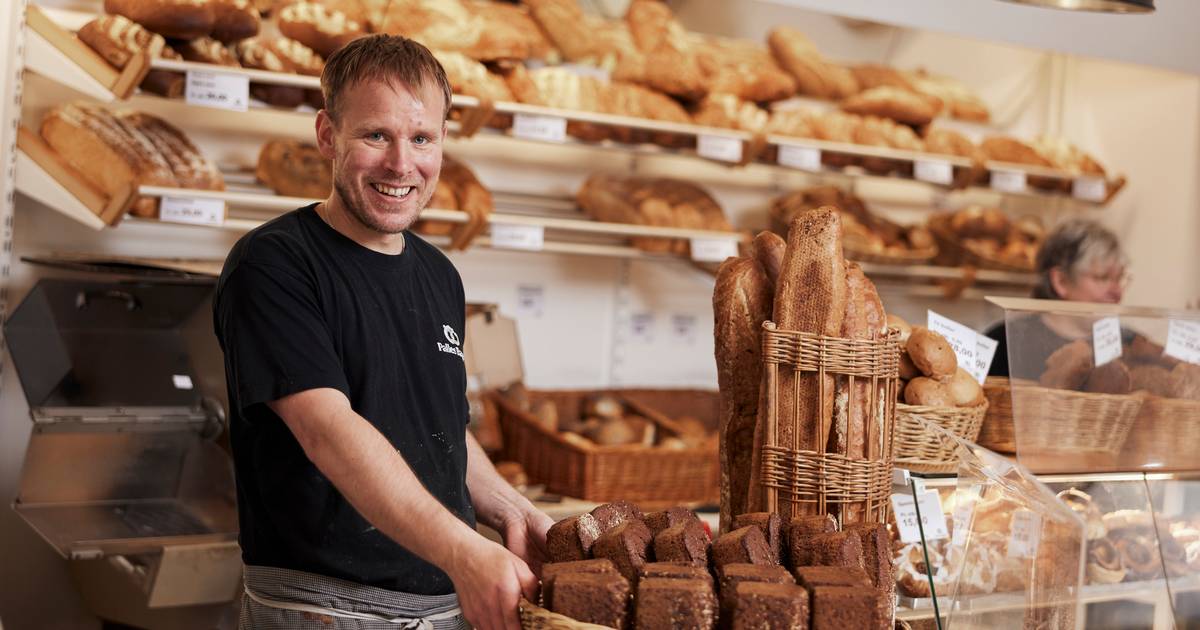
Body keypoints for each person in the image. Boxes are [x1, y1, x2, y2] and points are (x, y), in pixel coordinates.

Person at [213, 34, 553, 629]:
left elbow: (436, 430)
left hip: (443, 607)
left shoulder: (439, 275)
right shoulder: (274, 264)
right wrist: (465, 551)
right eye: (376, 135)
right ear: (327, 135)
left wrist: (510, 509)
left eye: (421, 139)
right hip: (324, 610)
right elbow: (329, 431)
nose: (401, 164)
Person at [985, 218, 1131, 378]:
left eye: (1119, 278)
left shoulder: (1131, 347)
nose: (1117, 291)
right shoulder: (1003, 343)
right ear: (1061, 281)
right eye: (1103, 277)